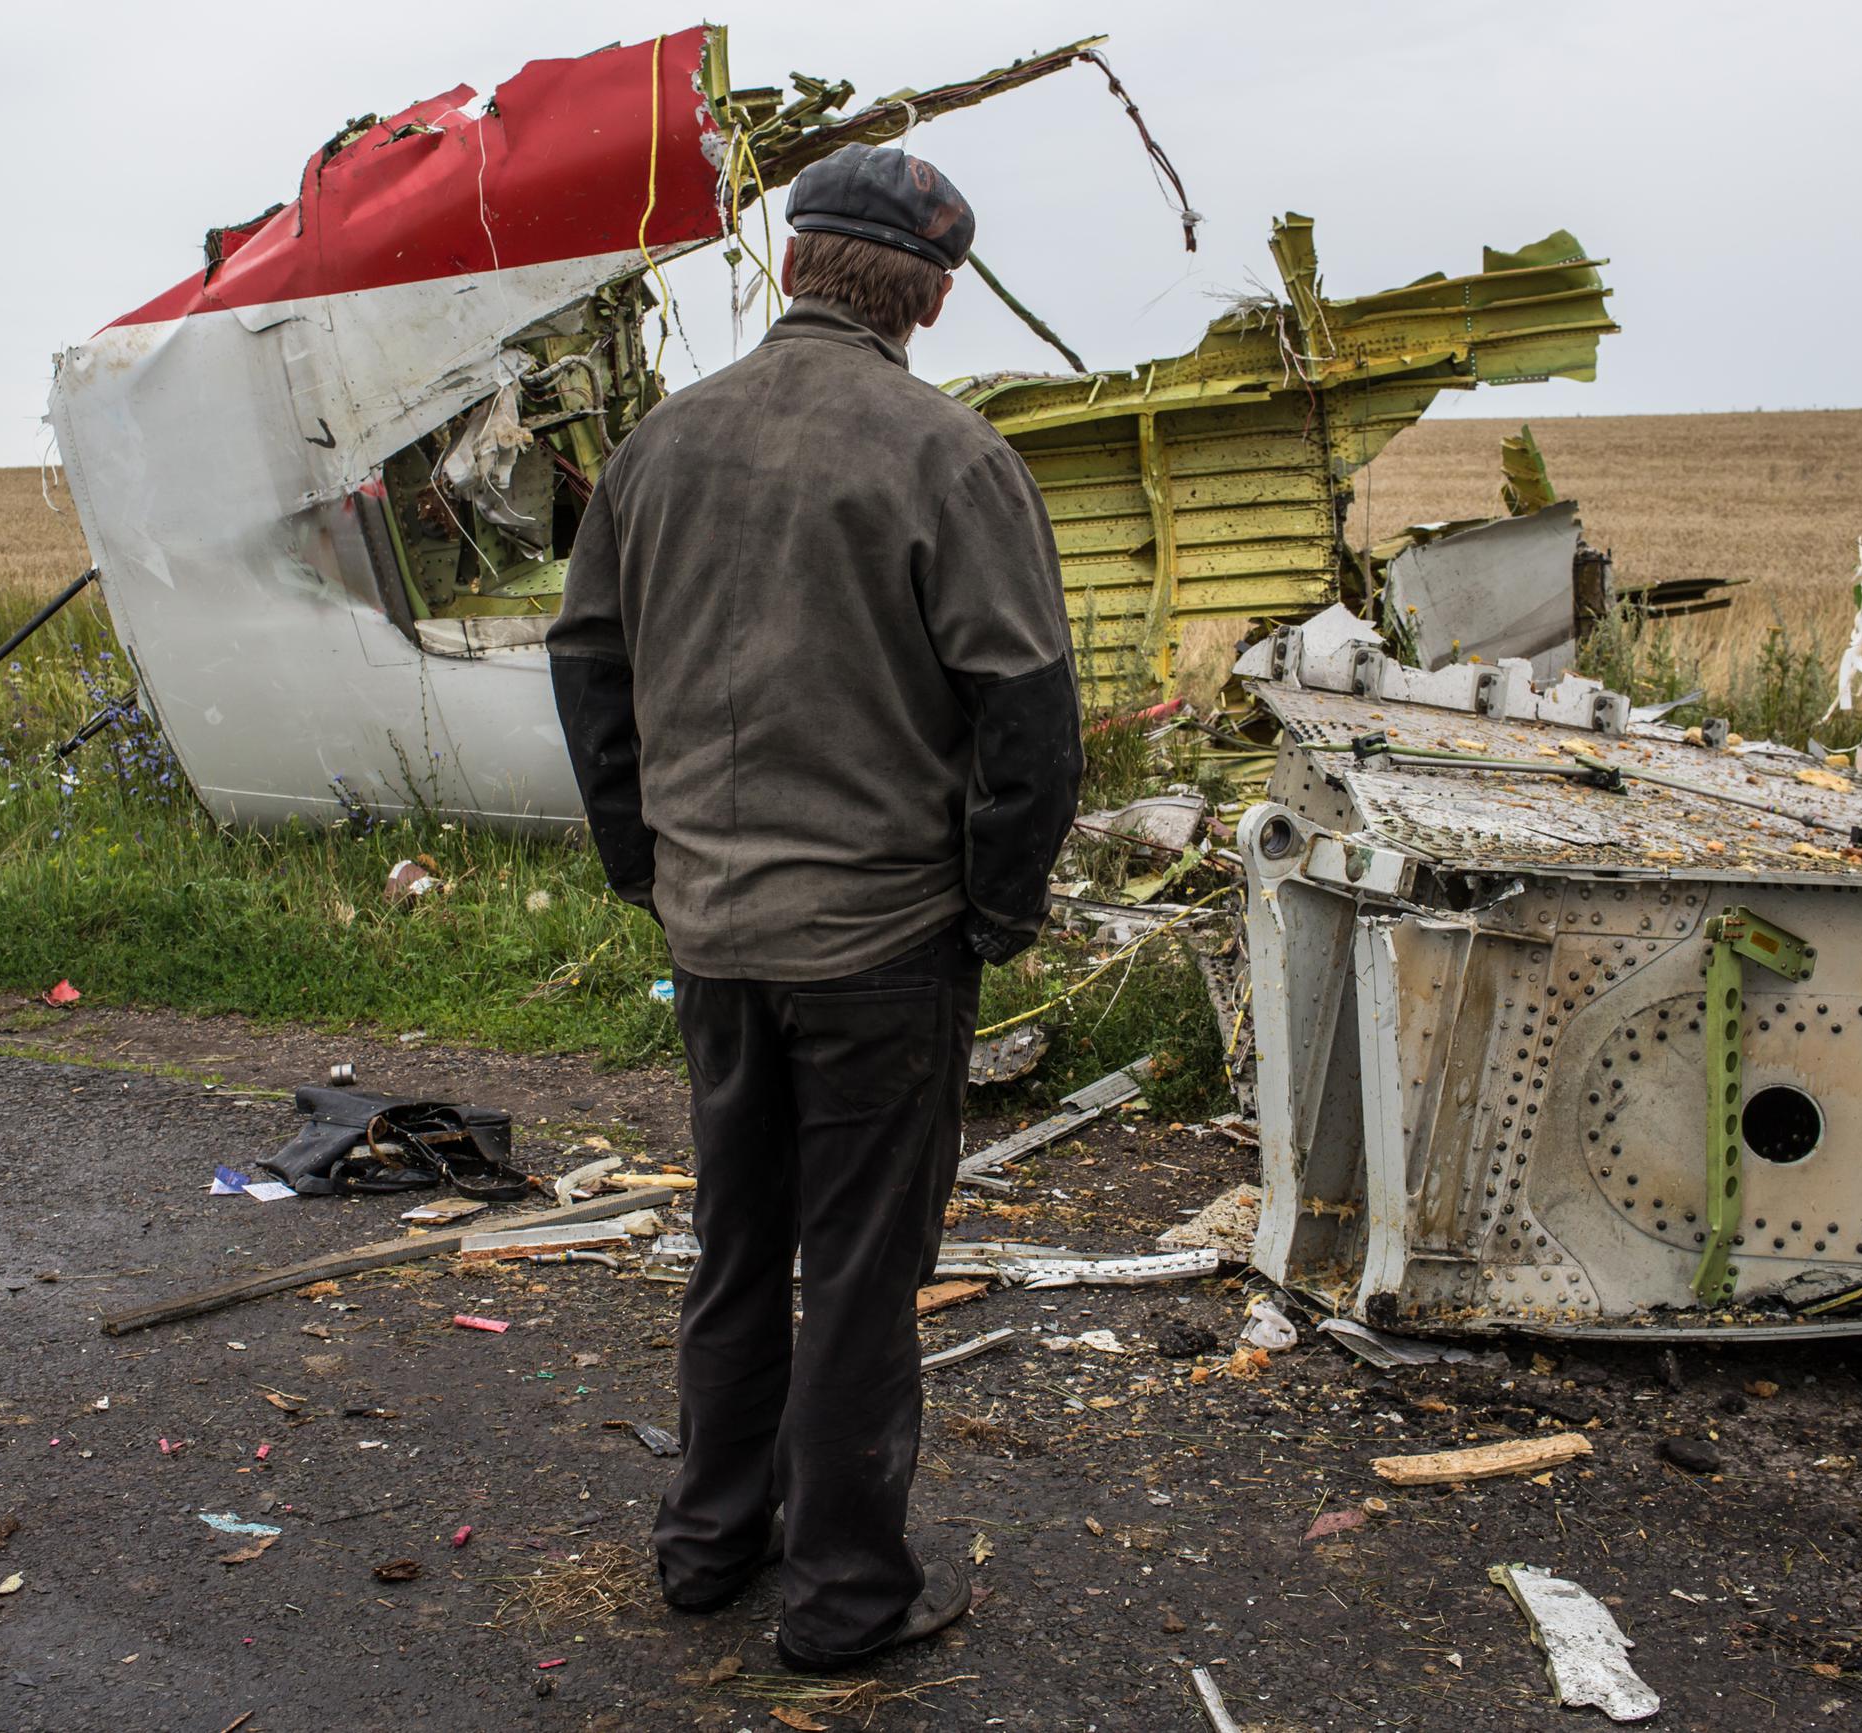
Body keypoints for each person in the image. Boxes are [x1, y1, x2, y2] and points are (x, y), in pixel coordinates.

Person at [546, 142, 1082, 1671]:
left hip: (715, 937)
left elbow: (587, 671)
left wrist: (648, 864)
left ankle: (707, 1545)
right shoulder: (952, 458)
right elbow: (1031, 729)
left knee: (736, 1236)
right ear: (933, 293)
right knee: (857, 1263)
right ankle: (848, 1594)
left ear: (793, 265)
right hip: (879, 948)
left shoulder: (660, 447)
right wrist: (995, 911)